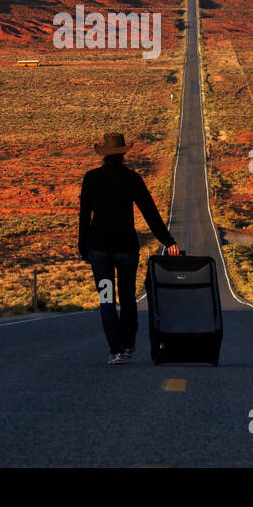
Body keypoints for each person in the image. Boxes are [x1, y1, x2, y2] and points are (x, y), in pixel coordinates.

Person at [78, 132, 180, 365]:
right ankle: (127, 346)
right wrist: (168, 241)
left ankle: (115, 350)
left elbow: (84, 217)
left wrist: (83, 248)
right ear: (124, 154)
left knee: (106, 299)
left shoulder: (91, 178)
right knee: (127, 298)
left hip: (99, 251)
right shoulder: (131, 178)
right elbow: (150, 212)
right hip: (126, 250)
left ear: (103, 155)